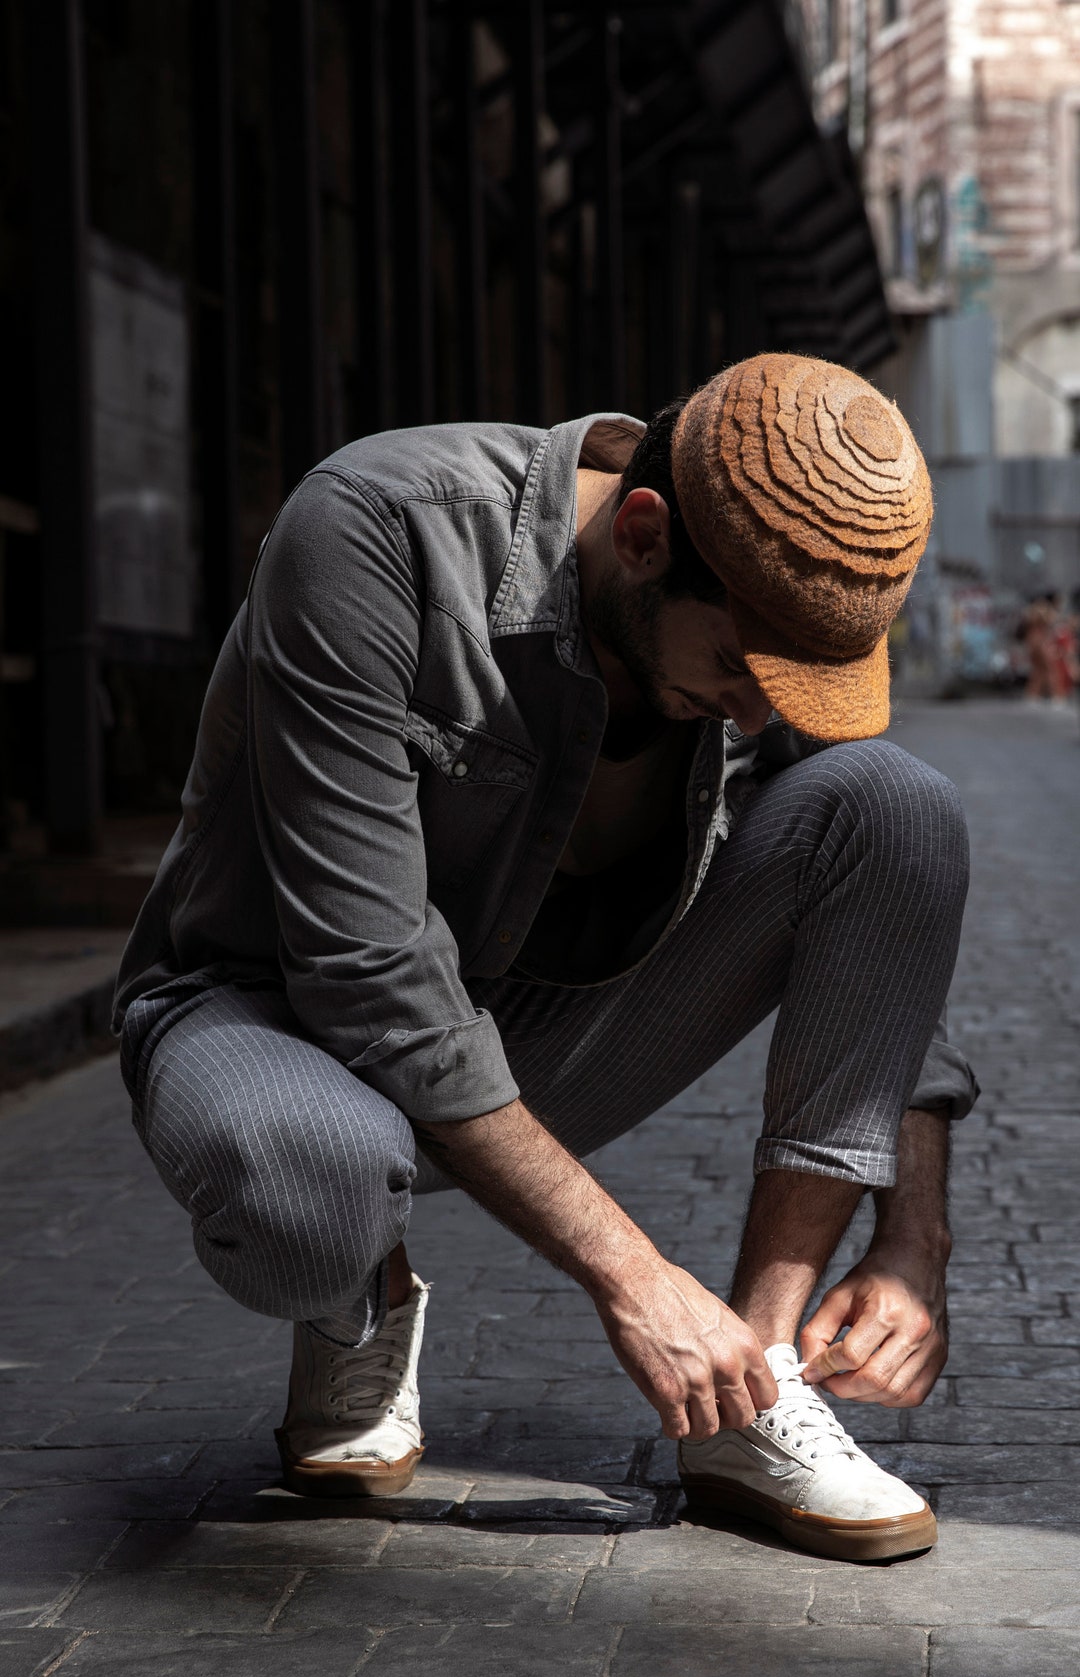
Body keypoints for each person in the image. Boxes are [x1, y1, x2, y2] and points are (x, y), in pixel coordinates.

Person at [113, 355, 978, 1564]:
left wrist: (913, 1238)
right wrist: (636, 1277)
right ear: (641, 533)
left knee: (894, 807)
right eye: (736, 666)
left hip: (535, 1010)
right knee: (312, 1180)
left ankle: (751, 1384)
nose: (749, 717)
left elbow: (883, 935)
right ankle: (357, 1292)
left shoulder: (725, 660)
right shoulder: (375, 531)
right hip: (272, 1015)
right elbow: (368, 978)